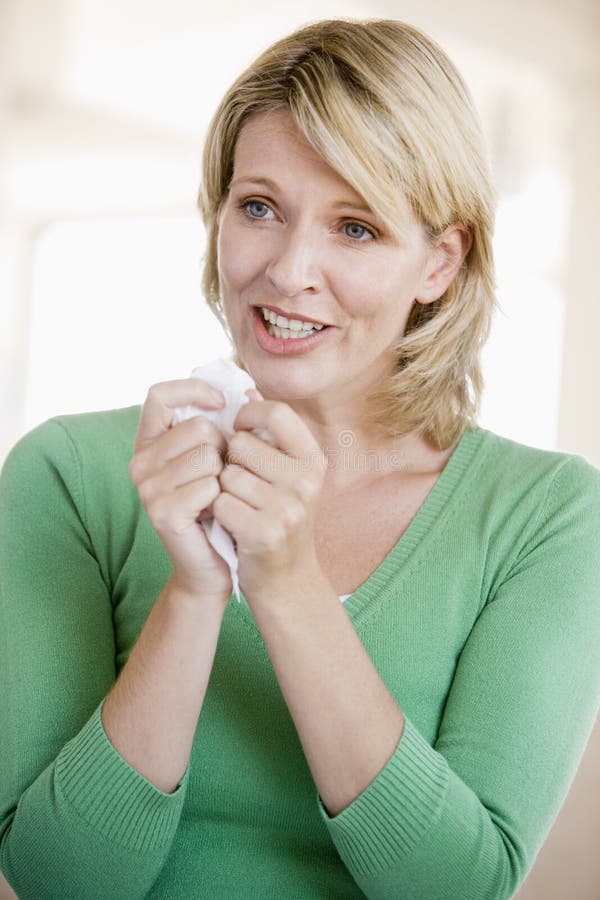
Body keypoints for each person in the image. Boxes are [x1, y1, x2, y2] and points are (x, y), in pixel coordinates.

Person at [1, 17, 599, 900]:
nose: (287, 271)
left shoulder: (545, 513)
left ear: (439, 261)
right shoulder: (67, 475)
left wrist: (283, 583)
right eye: (259, 208)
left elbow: (461, 888)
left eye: (355, 228)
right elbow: (61, 879)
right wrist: (197, 589)